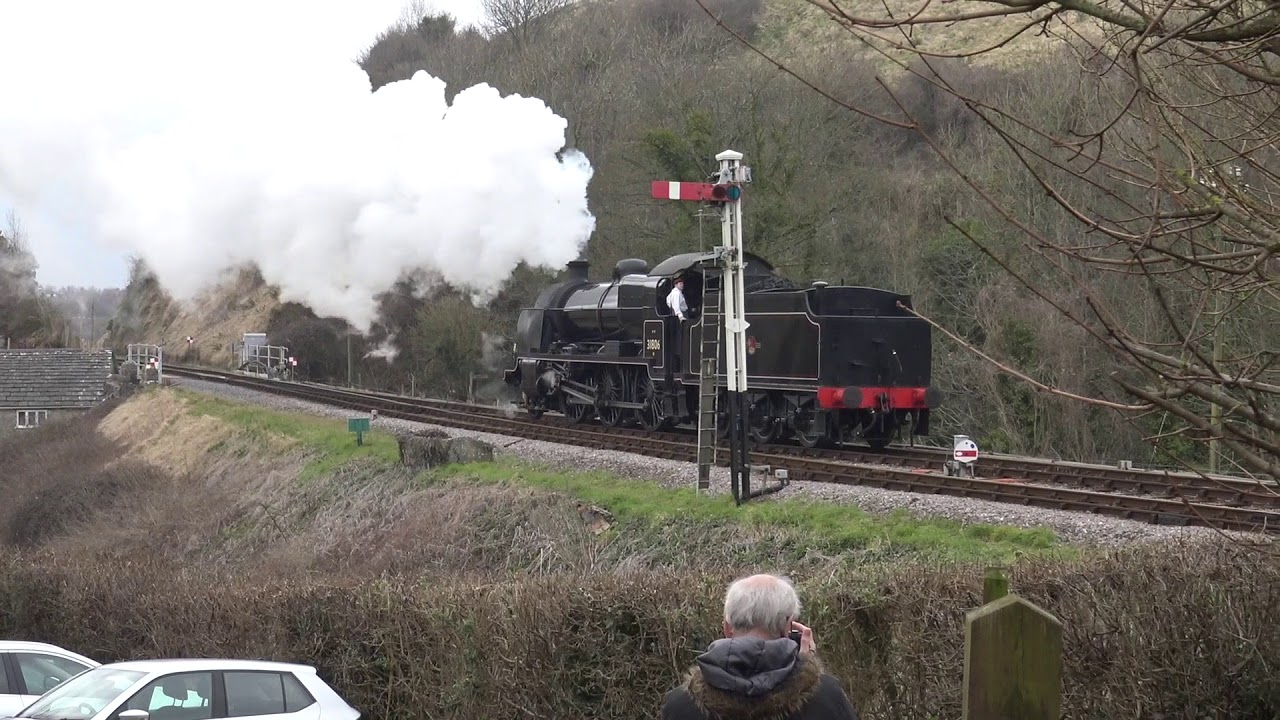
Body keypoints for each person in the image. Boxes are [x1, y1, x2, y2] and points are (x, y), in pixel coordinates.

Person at [660, 574, 859, 720]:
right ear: (787, 626)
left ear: (728, 628)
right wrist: (808, 667)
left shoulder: (679, 705)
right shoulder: (826, 696)